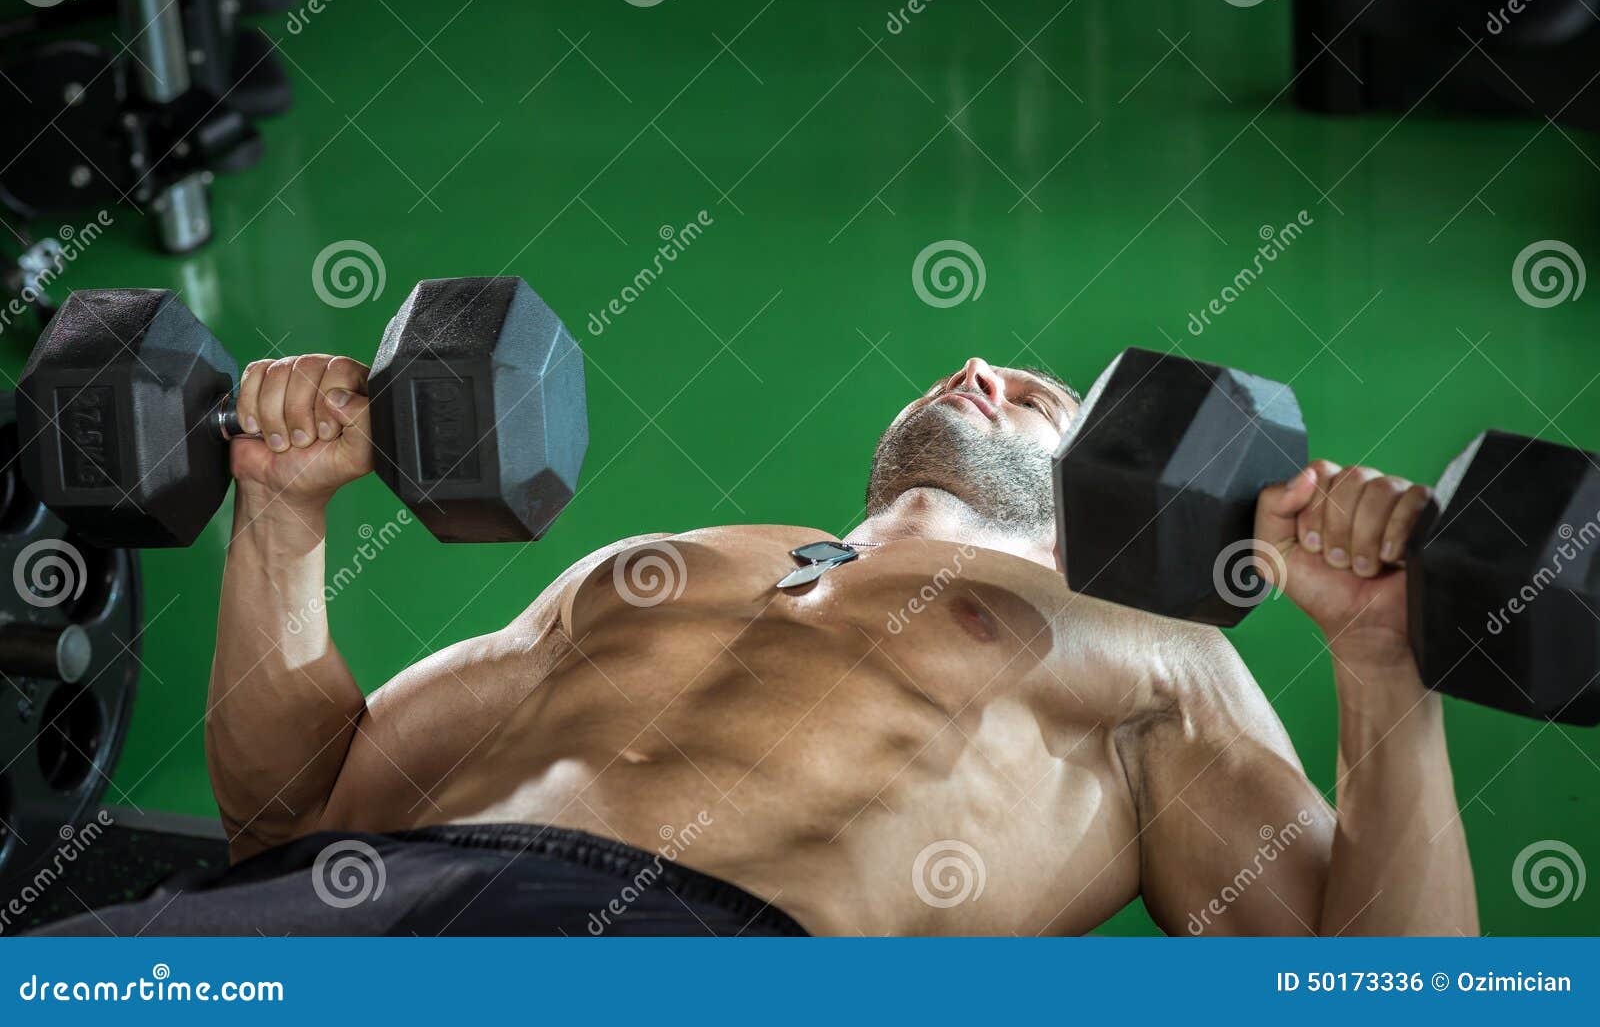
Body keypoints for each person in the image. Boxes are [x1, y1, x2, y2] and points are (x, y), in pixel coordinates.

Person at [37, 353, 1477, 936]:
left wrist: (1380, 668)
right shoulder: (654, 568)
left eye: (1037, 392)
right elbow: (290, 817)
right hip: (353, 909)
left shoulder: (1148, 652)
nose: (986, 365)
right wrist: (282, 521)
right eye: (978, 369)